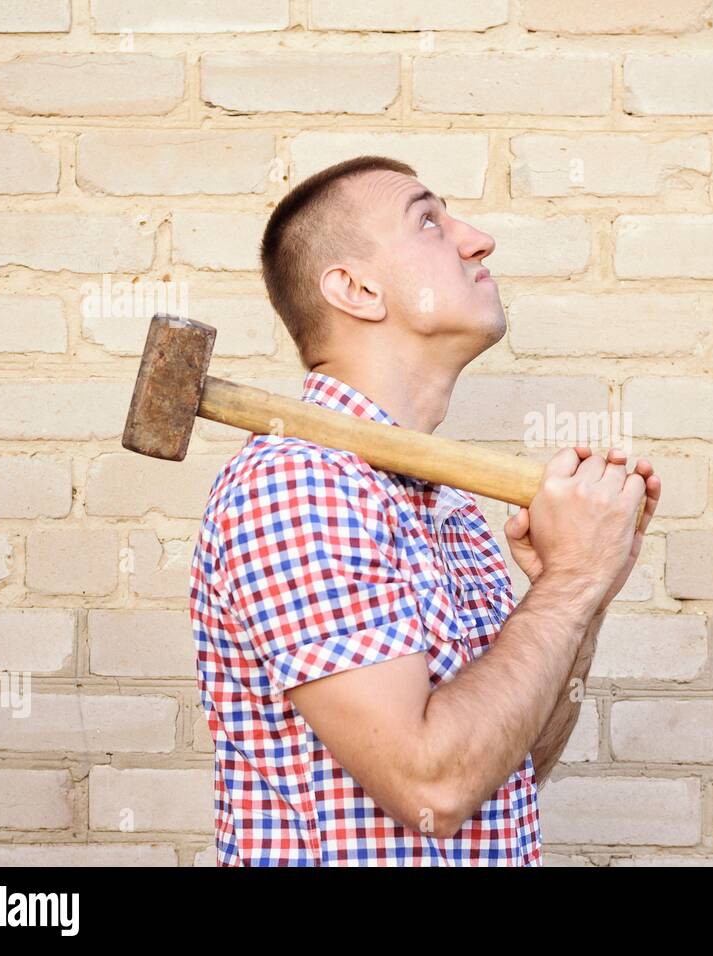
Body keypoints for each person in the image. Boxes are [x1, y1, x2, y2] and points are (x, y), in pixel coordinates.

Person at [188, 155, 660, 865]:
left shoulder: (451, 506)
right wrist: (565, 590)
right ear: (357, 289)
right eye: (430, 222)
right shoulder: (299, 485)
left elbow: (513, 762)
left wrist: (585, 589)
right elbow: (431, 789)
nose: (477, 239)